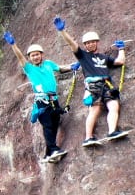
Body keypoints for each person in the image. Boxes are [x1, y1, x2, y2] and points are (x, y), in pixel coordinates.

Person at [54, 16, 127, 146]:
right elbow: (72, 44)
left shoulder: (104, 57)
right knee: (94, 110)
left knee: (114, 106)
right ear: (85, 46)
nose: (90, 44)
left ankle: (112, 131)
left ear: (97, 42)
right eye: (87, 43)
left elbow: (120, 62)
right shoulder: (83, 56)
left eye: (92, 42)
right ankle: (88, 138)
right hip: (93, 87)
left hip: (107, 85)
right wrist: (62, 31)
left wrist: (121, 49)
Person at [4, 32, 76, 162]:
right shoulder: (29, 69)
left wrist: (73, 66)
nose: (35, 57)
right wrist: (13, 45)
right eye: (33, 55)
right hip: (42, 101)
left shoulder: (49, 64)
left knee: (54, 123)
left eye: (37, 54)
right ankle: (53, 149)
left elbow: (60, 68)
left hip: (53, 99)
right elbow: (20, 58)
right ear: (30, 58)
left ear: (42, 55)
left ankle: (49, 153)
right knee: (48, 125)